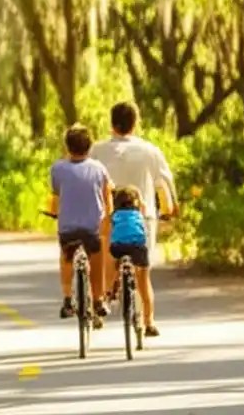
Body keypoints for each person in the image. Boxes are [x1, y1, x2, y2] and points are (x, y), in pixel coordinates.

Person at [90, 101, 178, 332]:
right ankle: (149, 322)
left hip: (110, 216)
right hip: (143, 217)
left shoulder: (98, 150)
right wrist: (171, 209)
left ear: (112, 124)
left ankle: (101, 306)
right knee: (142, 272)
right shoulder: (150, 151)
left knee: (108, 261)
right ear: (135, 123)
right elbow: (164, 184)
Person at [51, 123, 112, 326]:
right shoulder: (99, 168)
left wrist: (53, 213)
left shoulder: (58, 168)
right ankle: (98, 300)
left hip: (68, 228)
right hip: (92, 227)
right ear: (90, 146)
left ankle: (68, 299)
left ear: (68, 147)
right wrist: (107, 219)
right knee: (97, 258)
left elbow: (55, 198)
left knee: (66, 257)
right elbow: (107, 198)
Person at [109, 185, 160, 337]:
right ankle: (149, 323)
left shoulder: (114, 215)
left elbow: (106, 229)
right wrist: (143, 202)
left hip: (118, 247)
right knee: (144, 283)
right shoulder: (139, 213)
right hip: (137, 248)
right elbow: (145, 210)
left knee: (112, 262)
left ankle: (112, 288)